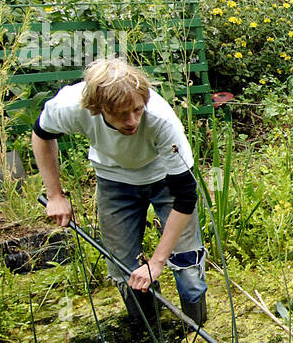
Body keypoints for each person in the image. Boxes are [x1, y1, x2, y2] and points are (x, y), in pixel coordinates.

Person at [31, 58, 208, 328]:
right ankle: (151, 335)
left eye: (137, 110)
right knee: (124, 269)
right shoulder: (69, 106)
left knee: (186, 264)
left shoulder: (161, 120)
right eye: (121, 114)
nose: (132, 121)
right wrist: (55, 195)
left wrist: (157, 262)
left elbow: (185, 197)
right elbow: (42, 134)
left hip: (164, 178)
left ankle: (196, 330)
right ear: (97, 108)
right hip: (113, 179)